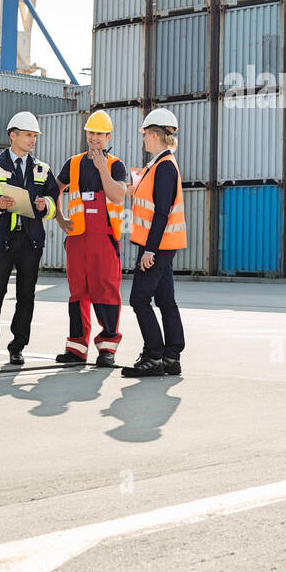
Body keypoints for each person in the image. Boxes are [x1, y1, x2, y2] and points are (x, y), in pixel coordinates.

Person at [0, 111, 59, 367]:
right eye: (29, 135)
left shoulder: (42, 170)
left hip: (30, 241)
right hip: (2, 240)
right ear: (13, 136)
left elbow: (53, 203)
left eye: (35, 136)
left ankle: (17, 347)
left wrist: (45, 205)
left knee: (26, 296)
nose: (33, 140)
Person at [53, 111, 127, 369]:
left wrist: (101, 168)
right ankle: (76, 347)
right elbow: (54, 191)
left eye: (99, 134)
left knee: (106, 290)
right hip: (77, 238)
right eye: (91, 132)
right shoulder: (72, 163)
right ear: (86, 134)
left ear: (108, 136)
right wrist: (60, 219)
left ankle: (107, 348)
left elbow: (118, 196)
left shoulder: (116, 165)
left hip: (104, 239)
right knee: (78, 293)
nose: (94, 138)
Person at [122, 108, 187, 377]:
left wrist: (149, 249)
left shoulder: (164, 168)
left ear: (156, 135)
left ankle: (153, 356)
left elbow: (162, 212)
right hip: (161, 244)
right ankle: (171, 356)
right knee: (165, 299)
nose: (144, 139)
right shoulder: (158, 166)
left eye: (146, 134)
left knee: (139, 299)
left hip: (156, 246)